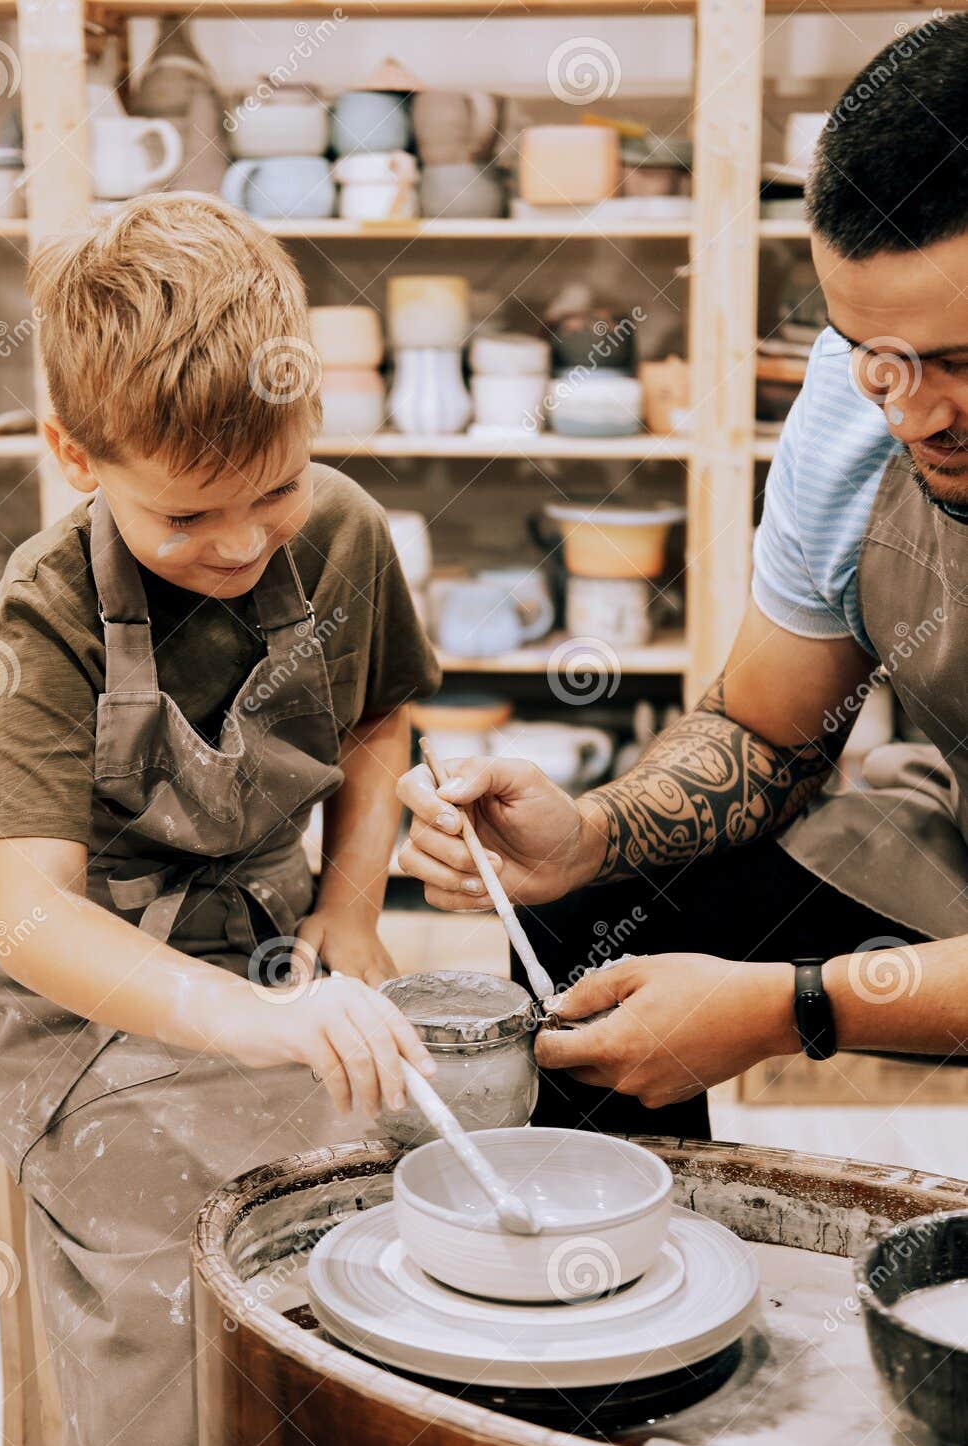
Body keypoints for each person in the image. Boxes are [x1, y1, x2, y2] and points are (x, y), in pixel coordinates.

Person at [0, 194, 440, 1446]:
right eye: (185, 513)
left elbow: (376, 722)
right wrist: (251, 1022)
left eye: (272, 490)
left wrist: (349, 910)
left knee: (415, 1165)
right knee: (177, 1244)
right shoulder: (41, 616)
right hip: (68, 990)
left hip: (274, 935)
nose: (239, 542)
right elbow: (32, 917)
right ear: (75, 455)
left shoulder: (342, 534)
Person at [398, 14, 968, 1140]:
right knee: (596, 917)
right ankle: (618, 1247)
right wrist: (588, 835)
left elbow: (787, 1006)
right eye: (873, 356)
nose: (912, 414)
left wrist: (789, 1007)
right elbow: (766, 736)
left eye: (958, 362)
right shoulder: (852, 413)